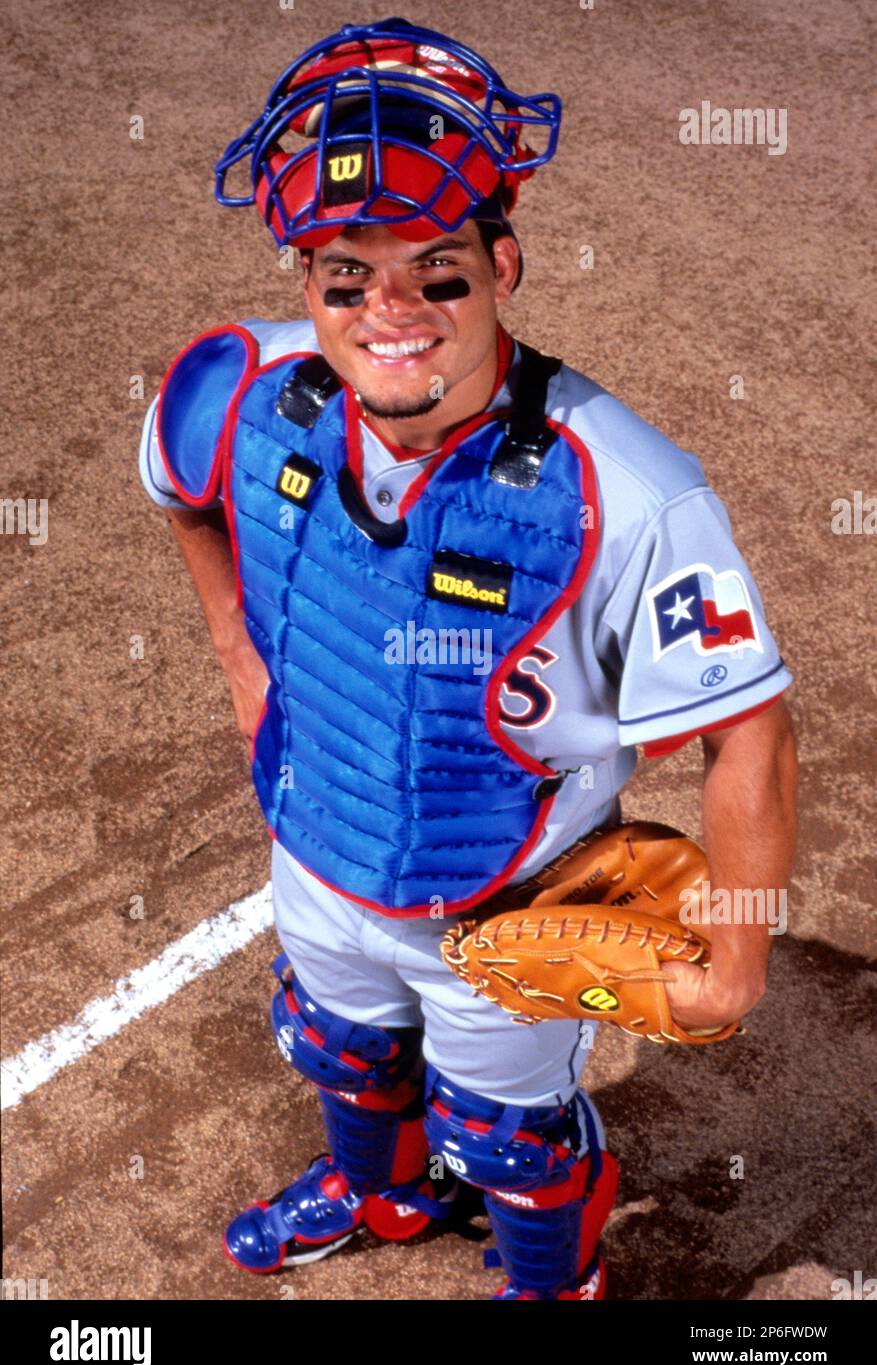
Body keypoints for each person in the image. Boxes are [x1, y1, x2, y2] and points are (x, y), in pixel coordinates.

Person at [138, 17, 798, 1300]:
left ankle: (557, 1279)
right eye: (346, 275)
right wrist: (239, 655)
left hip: (503, 899)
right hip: (315, 841)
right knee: (335, 1047)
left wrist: (739, 955)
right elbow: (178, 487)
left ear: (504, 262)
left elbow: (751, 731)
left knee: (507, 1137)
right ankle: (380, 1194)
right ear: (307, 275)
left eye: (436, 272)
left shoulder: (631, 492)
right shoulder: (237, 388)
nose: (390, 313)